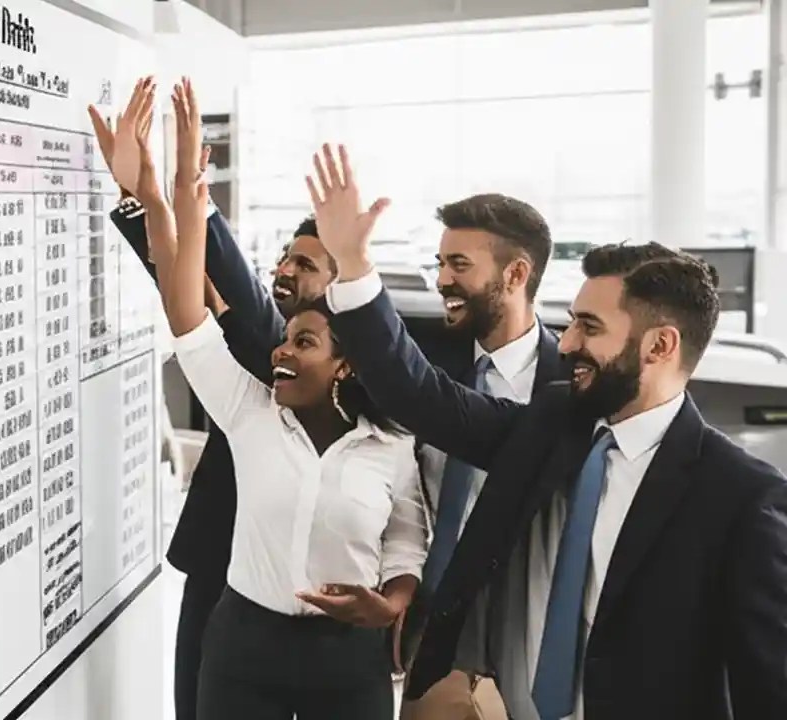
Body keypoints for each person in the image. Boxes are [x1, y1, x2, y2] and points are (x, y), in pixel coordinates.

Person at [300, 144, 787, 719]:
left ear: (660, 346)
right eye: (572, 321)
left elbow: (767, 687)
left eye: (589, 327)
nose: (569, 342)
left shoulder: (740, 498)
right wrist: (353, 264)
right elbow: (421, 397)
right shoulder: (554, 422)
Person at [145, 79, 426, 720]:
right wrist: (186, 184)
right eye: (285, 339)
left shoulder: (391, 443)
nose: (282, 351)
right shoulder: (250, 412)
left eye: (304, 342)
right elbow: (185, 311)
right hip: (244, 646)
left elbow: (407, 538)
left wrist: (391, 602)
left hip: (349, 659)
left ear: (346, 362)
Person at [88, 78, 337, 720]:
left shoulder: (356, 378)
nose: (284, 270)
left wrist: (184, 194)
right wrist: (143, 197)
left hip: (315, 612)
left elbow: (233, 293)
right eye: (285, 258)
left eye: (306, 265)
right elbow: (185, 283)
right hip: (218, 569)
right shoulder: (260, 344)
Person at [397, 194, 564, 720]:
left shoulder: (573, 386)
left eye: (459, 264)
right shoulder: (421, 369)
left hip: (531, 636)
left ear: (516, 274)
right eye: (440, 263)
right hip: (430, 630)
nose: (442, 279)